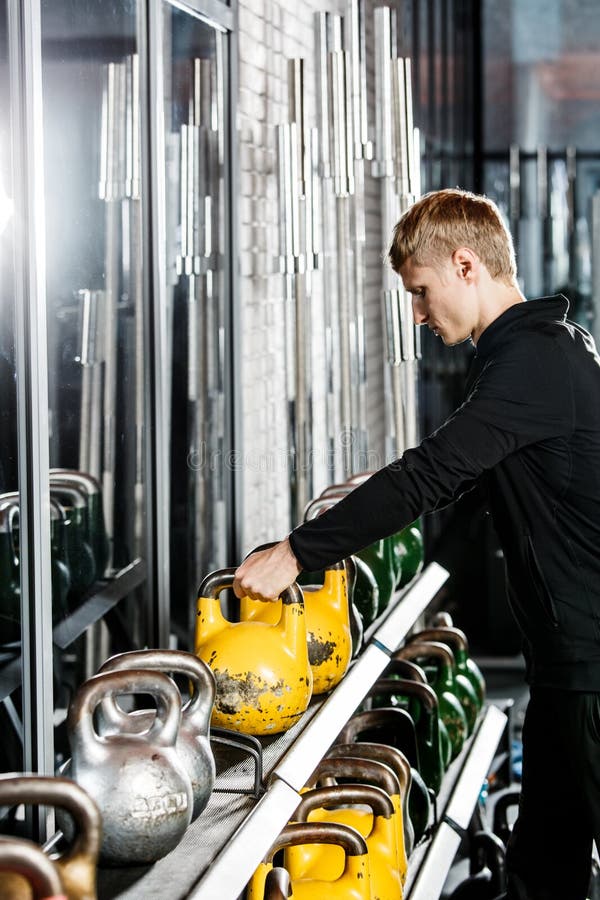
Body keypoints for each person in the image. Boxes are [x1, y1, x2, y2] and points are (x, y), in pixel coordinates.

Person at [233, 187, 600, 900]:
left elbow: (433, 473)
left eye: (422, 292)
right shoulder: (532, 349)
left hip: (591, 663)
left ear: (467, 264)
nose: (419, 313)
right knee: (544, 871)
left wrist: (296, 553)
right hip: (567, 663)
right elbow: (465, 467)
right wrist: (381, 488)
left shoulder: (533, 361)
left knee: (555, 865)